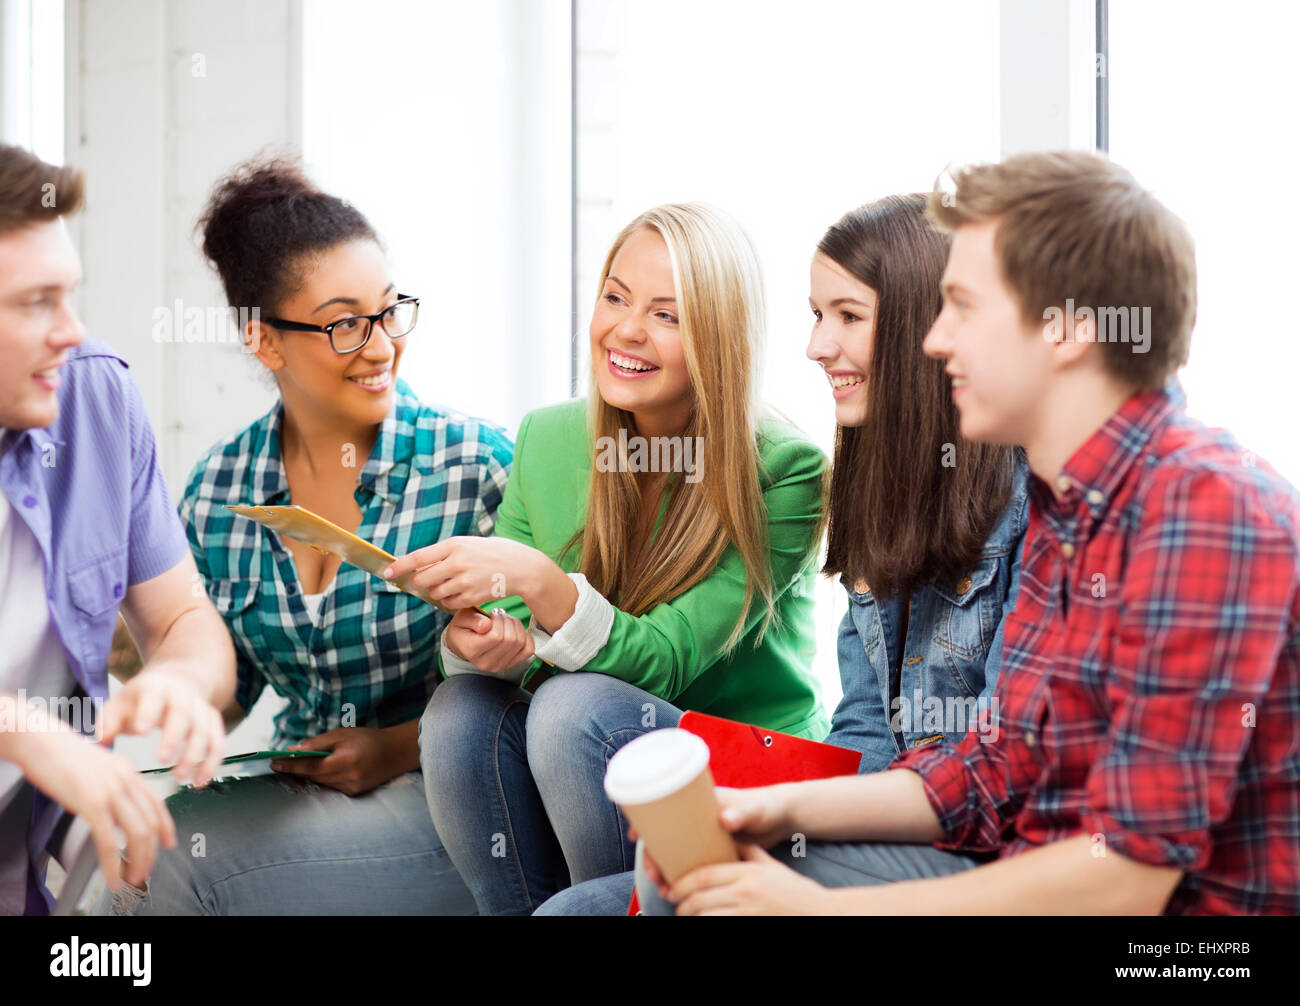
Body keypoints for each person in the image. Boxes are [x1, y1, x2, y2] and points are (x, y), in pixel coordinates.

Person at [592, 151, 1299, 915]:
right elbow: (992, 771)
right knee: (699, 865)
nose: (933, 340)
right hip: (1018, 866)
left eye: (961, 306)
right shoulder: (1071, 511)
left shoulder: (1203, 510)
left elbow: (1126, 877)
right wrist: (771, 809)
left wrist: (817, 908)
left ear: (1063, 330)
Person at [535, 193, 1029, 915]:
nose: (816, 346)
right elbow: (866, 724)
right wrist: (784, 814)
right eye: (815, 314)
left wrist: (788, 820)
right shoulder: (875, 479)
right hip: (881, 798)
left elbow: (995, 773)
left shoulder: (1023, 498)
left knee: (620, 816)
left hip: (969, 840)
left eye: (847, 317)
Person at [384, 203, 829, 915]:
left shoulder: (784, 469)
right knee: (461, 711)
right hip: (587, 769)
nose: (625, 329)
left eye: (667, 314)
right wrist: (486, 646)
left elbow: (667, 660)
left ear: (719, 337)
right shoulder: (548, 439)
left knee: (571, 706)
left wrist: (536, 580)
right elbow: (518, 639)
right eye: (615, 297)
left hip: (752, 775)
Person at [102, 156, 511, 915]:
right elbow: (225, 692)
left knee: (172, 864)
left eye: (391, 311)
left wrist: (394, 745)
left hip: (454, 806)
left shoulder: (476, 466)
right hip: (297, 790)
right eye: (346, 323)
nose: (382, 344)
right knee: (132, 842)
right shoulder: (222, 489)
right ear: (265, 341)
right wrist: (143, 665)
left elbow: (544, 686)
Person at [0, 143, 235, 915]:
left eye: (70, 295)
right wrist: (30, 734)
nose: (72, 331)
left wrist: (178, 682)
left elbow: (183, 620)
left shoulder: (95, 398)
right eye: (35, 302)